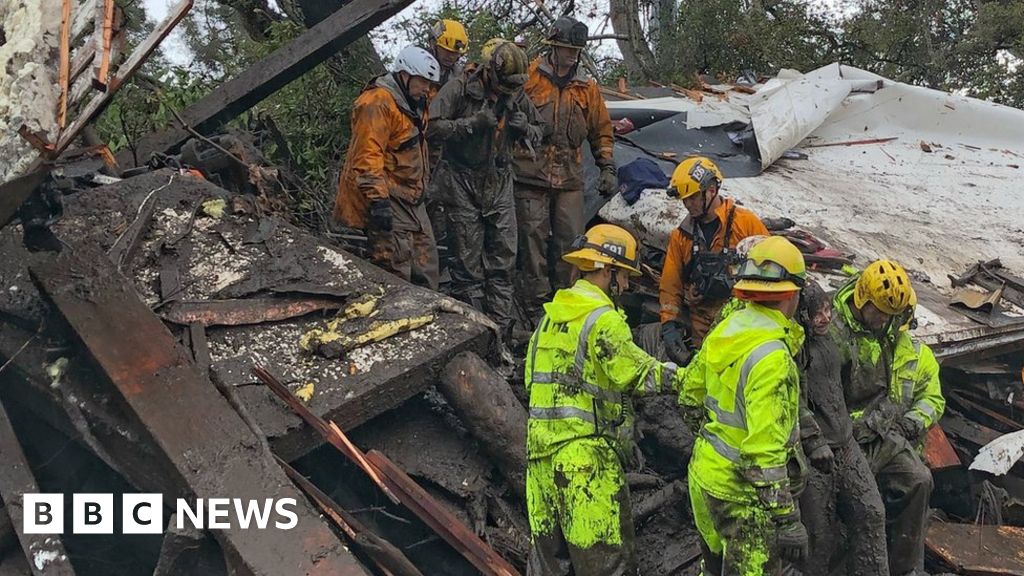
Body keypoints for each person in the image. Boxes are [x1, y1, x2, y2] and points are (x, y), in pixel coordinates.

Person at [525, 224, 683, 575]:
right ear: (607, 271)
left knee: (549, 567)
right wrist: (693, 378)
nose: (625, 286)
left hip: (539, 463)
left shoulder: (548, 321)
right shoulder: (603, 320)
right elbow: (639, 373)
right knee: (606, 565)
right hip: (585, 463)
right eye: (623, 276)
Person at [679, 236, 809, 575]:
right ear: (793, 294)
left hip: (705, 479)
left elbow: (689, 395)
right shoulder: (773, 357)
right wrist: (788, 518)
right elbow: (763, 454)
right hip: (741, 499)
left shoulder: (728, 329)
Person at [829, 260, 944, 576]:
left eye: (889, 316)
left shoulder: (900, 340)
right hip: (846, 436)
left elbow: (931, 398)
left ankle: (905, 568)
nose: (882, 321)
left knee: (919, 480)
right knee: (861, 506)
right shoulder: (833, 333)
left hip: (885, 432)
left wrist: (910, 423)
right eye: (878, 312)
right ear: (862, 299)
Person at [427, 39, 543, 338]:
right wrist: (472, 123)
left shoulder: (517, 93)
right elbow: (432, 128)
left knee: (504, 261)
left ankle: (501, 334)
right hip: (461, 180)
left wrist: (525, 128)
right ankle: (474, 334)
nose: (507, 92)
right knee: (467, 266)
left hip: (500, 180)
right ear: (491, 71)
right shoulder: (460, 87)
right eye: (503, 86)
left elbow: (541, 130)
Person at [513, 16, 616, 320]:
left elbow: (602, 132)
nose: (572, 55)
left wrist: (607, 167)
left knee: (571, 242)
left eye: (576, 51)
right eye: (567, 49)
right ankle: (535, 309)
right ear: (553, 47)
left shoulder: (587, 88)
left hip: (569, 179)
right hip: (530, 176)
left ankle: (567, 303)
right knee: (531, 243)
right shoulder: (528, 78)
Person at [796, 280, 890, 576]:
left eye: (827, 310)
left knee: (872, 513)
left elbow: (842, 388)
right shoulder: (796, 348)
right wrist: (813, 441)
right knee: (819, 535)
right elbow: (793, 401)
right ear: (802, 316)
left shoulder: (831, 340)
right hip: (816, 451)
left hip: (844, 441)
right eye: (817, 313)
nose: (824, 318)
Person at [333, 46, 441, 289]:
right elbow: (367, 157)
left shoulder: (416, 101)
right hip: (388, 195)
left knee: (427, 264)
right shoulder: (377, 102)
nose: (427, 89)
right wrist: (379, 203)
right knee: (396, 268)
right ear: (405, 75)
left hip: (412, 196)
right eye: (423, 82)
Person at [659, 157, 769, 366]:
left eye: (692, 198)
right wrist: (669, 326)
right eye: (684, 199)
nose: (687, 205)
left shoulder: (745, 223)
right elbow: (670, 285)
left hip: (742, 326)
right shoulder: (681, 236)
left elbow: (772, 267)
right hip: (702, 330)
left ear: (711, 190)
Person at [428, 19, 469, 86]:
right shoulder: (416, 65)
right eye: (447, 51)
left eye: (455, 53)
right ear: (433, 44)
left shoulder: (459, 75)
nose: (451, 56)